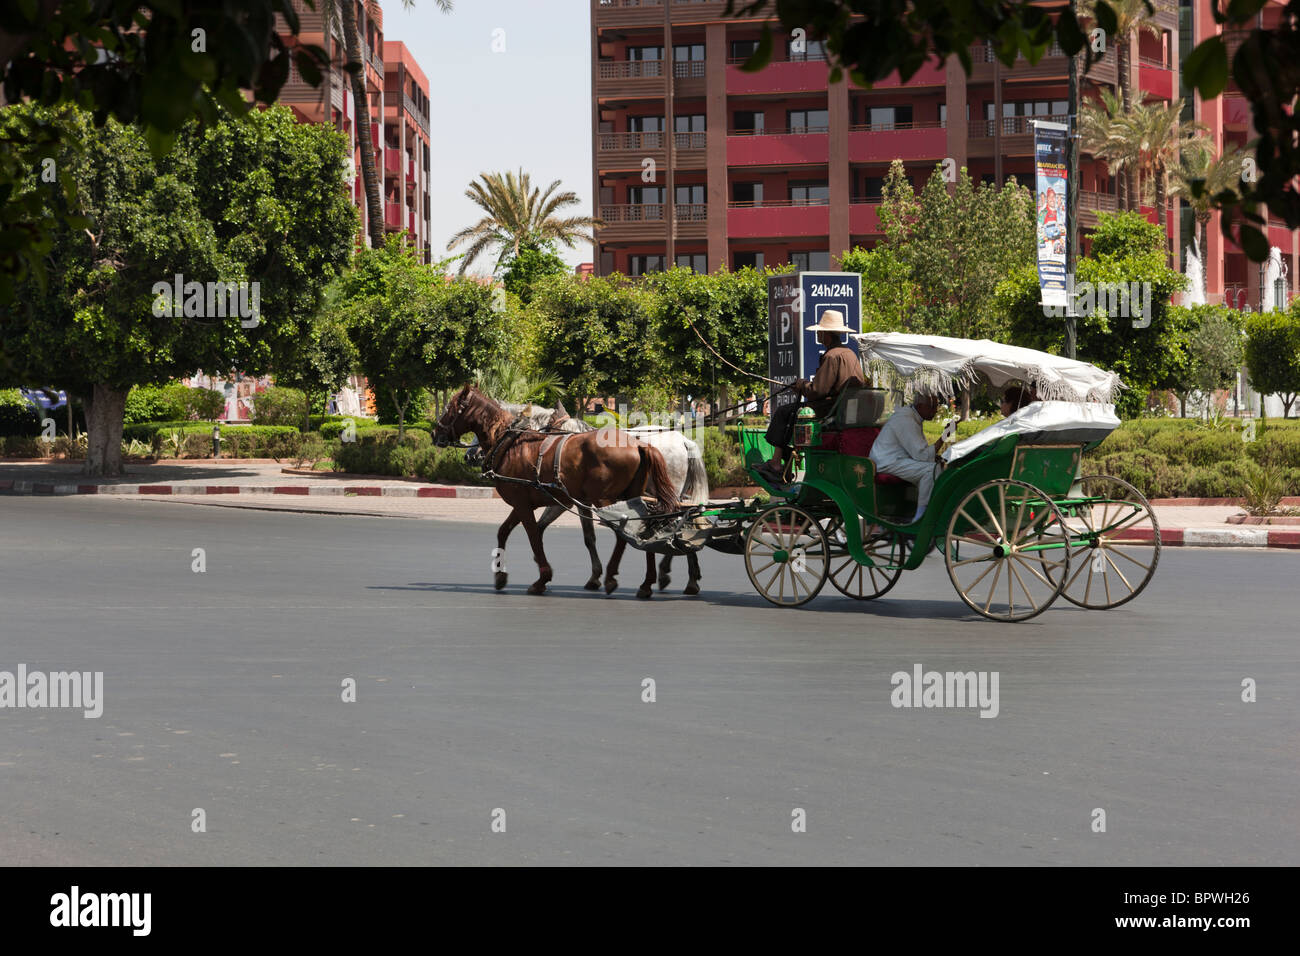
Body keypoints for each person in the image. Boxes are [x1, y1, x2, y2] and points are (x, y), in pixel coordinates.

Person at [757, 309, 865, 482]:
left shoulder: (831, 356)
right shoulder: (850, 354)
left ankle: (776, 463)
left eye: (819, 332)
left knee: (785, 412)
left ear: (825, 334)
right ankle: (784, 462)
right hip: (843, 411)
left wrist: (801, 385)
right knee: (790, 413)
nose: (818, 335)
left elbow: (817, 391)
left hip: (829, 411)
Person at [869, 390, 945, 525]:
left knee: (936, 467)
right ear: (921, 407)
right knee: (930, 470)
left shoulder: (912, 417)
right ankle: (920, 518)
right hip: (887, 462)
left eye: (936, 407)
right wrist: (945, 436)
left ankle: (914, 511)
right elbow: (923, 455)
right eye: (932, 407)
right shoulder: (905, 419)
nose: (936, 411)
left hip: (896, 459)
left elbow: (920, 452)